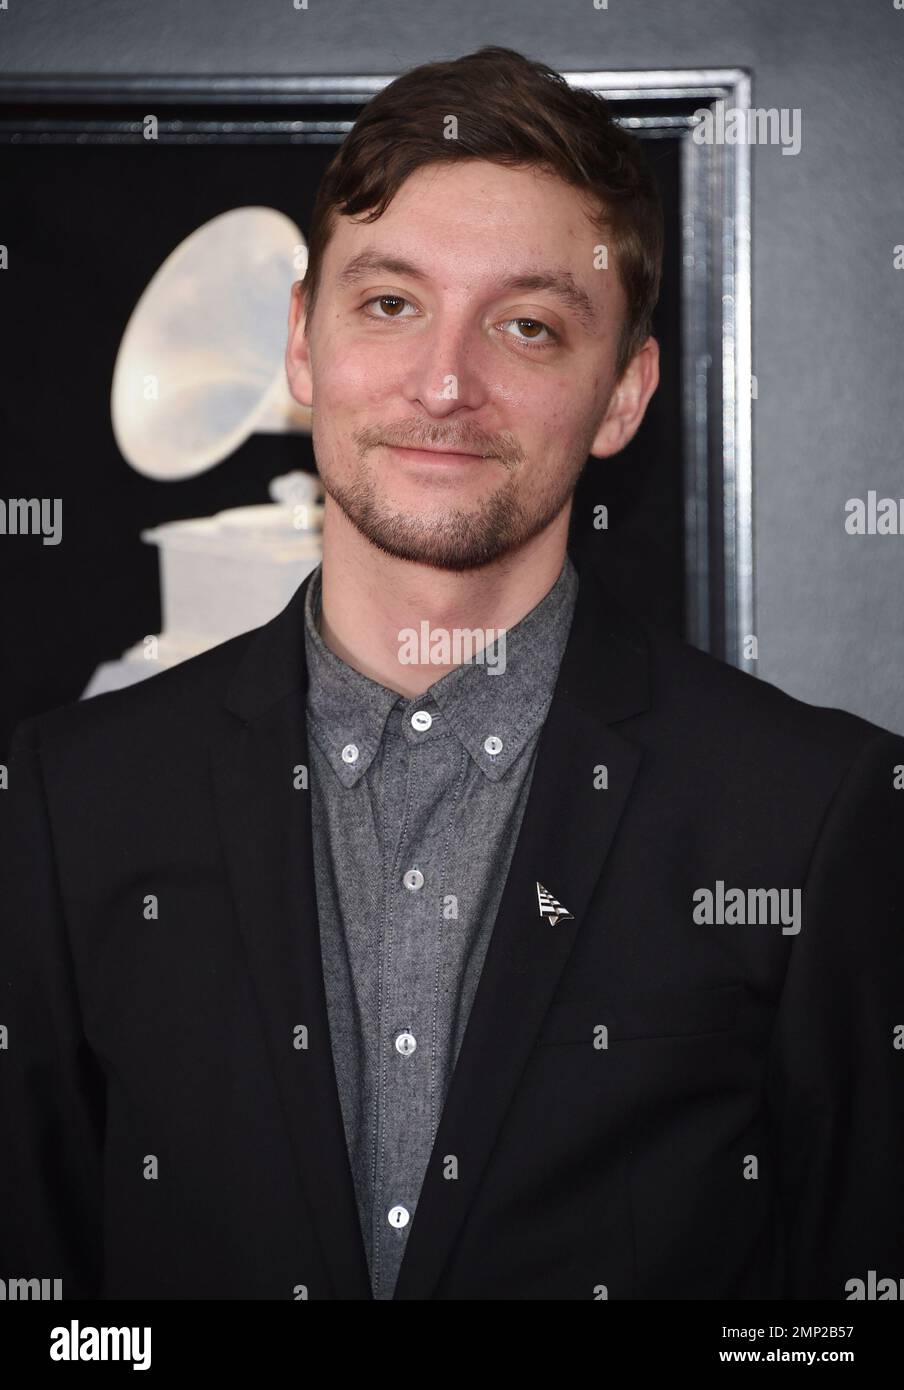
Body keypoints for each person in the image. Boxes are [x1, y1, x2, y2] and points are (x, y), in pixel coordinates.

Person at [1, 45, 902, 1301]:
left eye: (527, 326)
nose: (443, 382)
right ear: (302, 350)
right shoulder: (65, 802)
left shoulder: (814, 811)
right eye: (389, 304)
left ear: (621, 396)